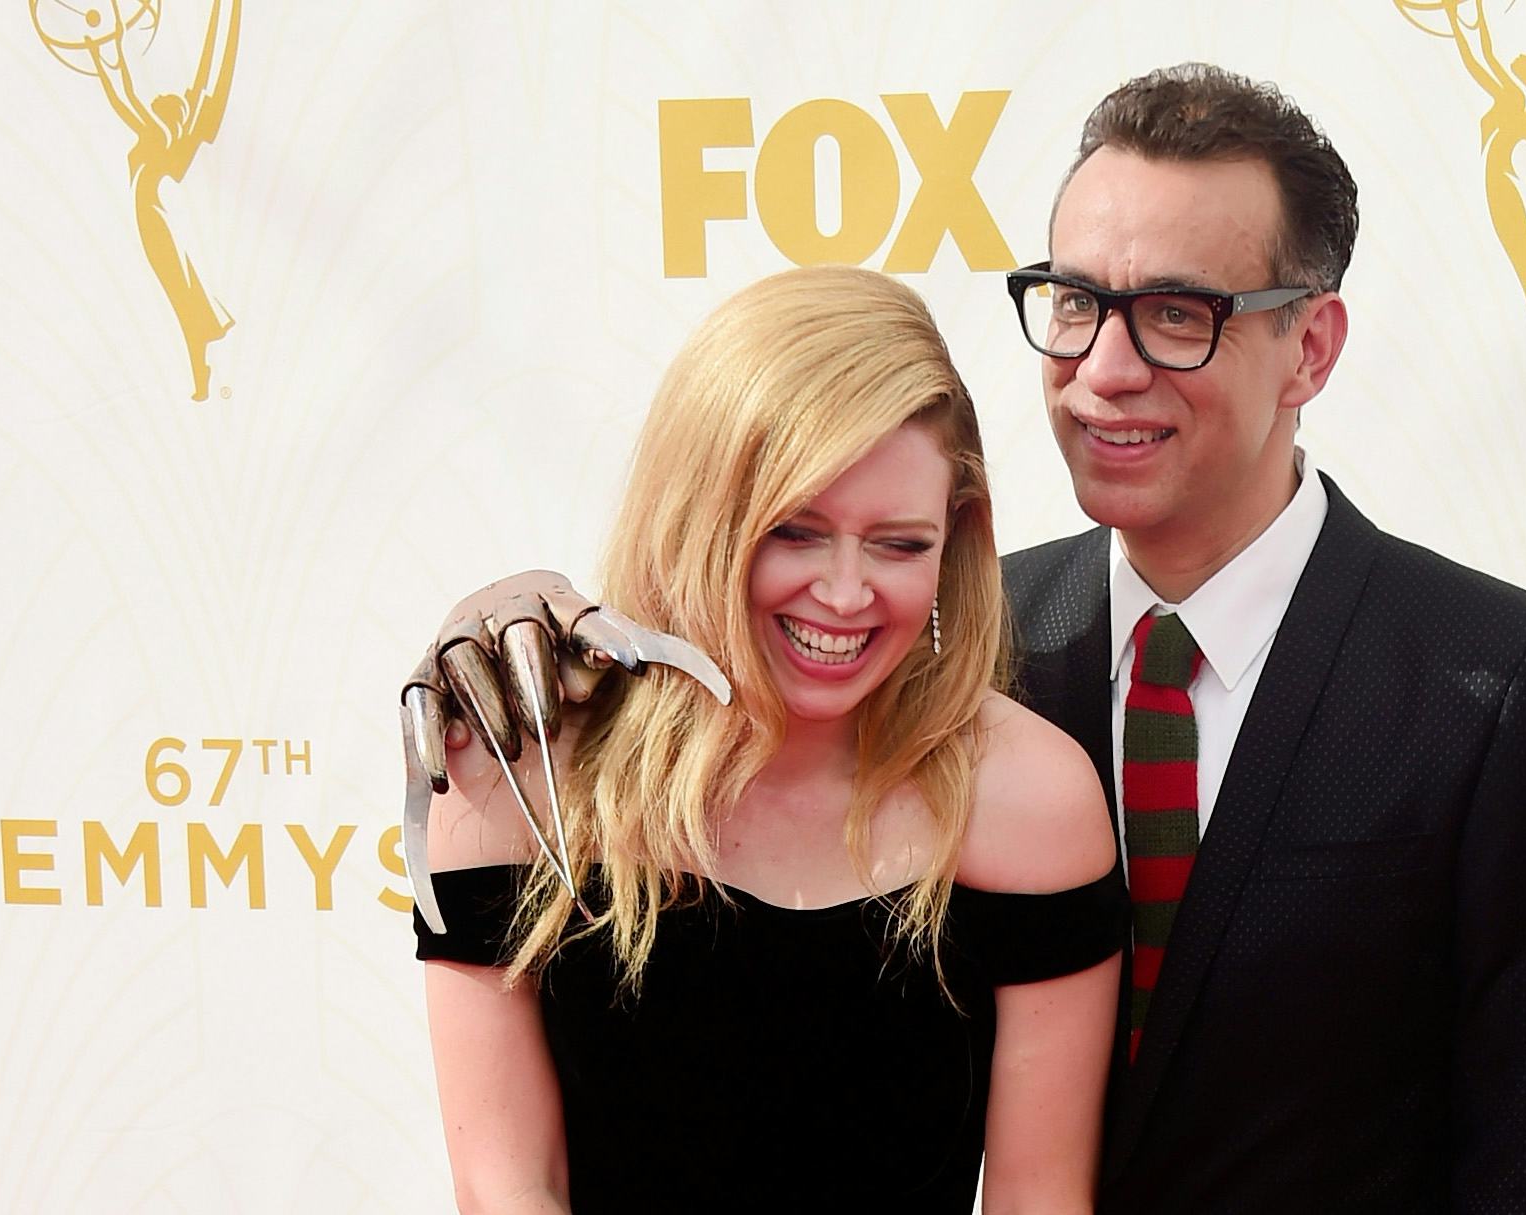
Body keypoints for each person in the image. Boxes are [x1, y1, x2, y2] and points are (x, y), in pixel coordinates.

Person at [411, 63, 1526, 1212]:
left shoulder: (1495, 685)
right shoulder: (938, 648)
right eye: (1077, 303)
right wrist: (506, 613)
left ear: (1306, 347)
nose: (1104, 368)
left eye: (1175, 315)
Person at [414, 265, 1123, 1213]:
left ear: (954, 537)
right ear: (699, 513)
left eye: (900, 543)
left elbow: (1040, 1200)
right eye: (794, 530)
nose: (844, 593)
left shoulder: (1028, 800)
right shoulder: (520, 767)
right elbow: (505, 1185)